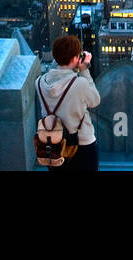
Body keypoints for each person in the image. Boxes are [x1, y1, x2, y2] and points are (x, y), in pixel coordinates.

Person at [36, 35, 101, 172]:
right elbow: (95, 101)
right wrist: (84, 69)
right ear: (74, 59)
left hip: (54, 144)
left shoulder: (40, 82)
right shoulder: (80, 83)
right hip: (82, 143)